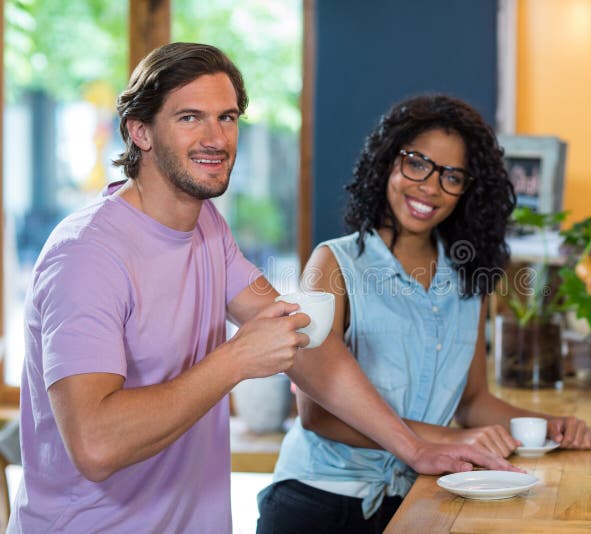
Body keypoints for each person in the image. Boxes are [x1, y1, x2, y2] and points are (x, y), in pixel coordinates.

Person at [7, 44, 514, 533]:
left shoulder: (207, 227)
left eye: (227, 118)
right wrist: (235, 359)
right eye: (190, 118)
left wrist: (414, 448)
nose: (216, 137)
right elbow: (95, 445)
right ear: (139, 131)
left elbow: (305, 343)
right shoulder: (87, 254)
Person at [257, 95, 591, 534]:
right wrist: (449, 439)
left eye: (452, 176)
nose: (430, 187)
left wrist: (547, 428)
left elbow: (472, 401)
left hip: (422, 498)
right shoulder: (334, 264)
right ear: (387, 162)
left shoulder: (469, 278)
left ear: (467, 189)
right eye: (417, 163)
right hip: (321, 500)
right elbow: (317, 414)